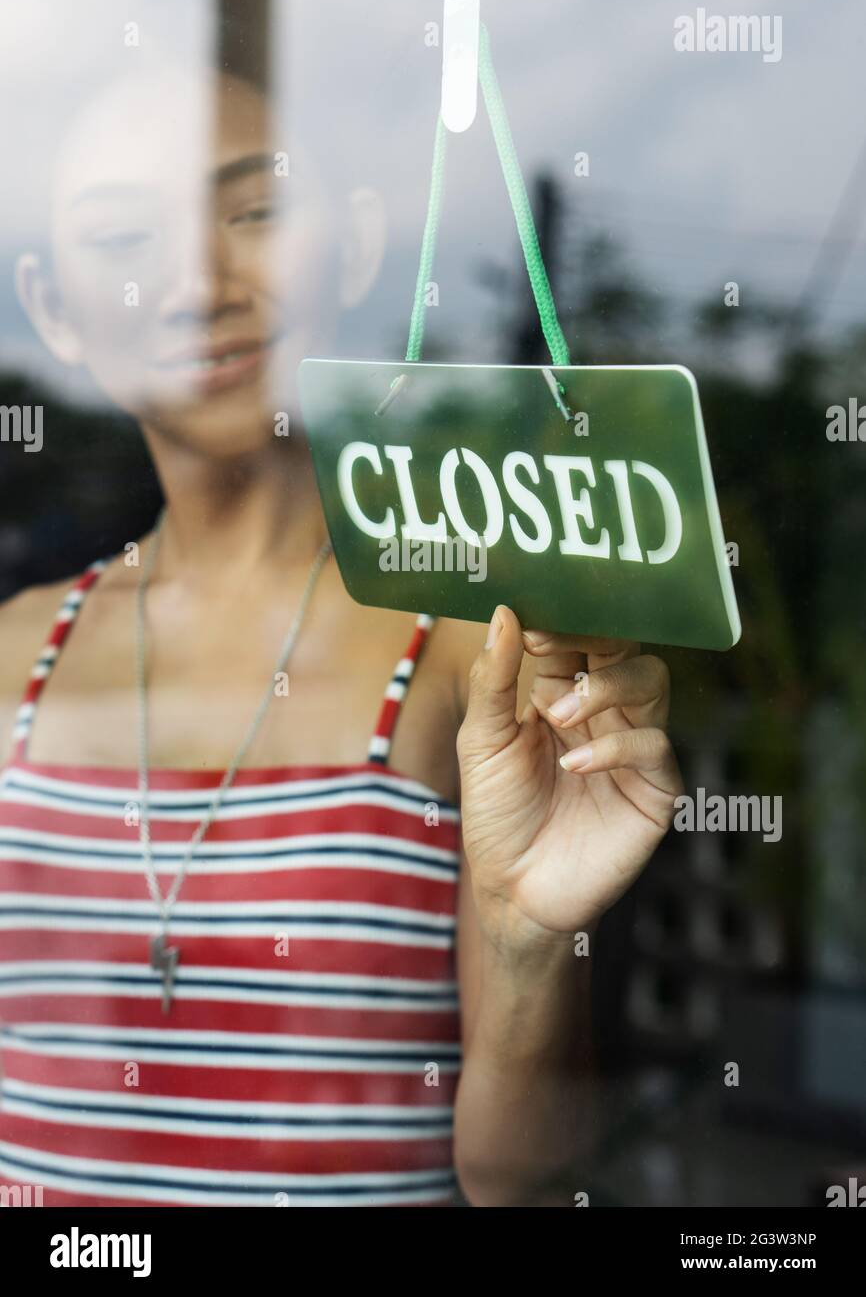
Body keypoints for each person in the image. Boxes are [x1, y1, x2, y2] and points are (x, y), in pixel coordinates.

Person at [0, 60, 682, 1206]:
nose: (197, 283)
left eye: (255, 211)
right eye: (122, 237)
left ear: (357, 247)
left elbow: (514, 1178)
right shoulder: (14, 652)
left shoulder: (486, 651)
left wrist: (523, 942)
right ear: (55, 307)